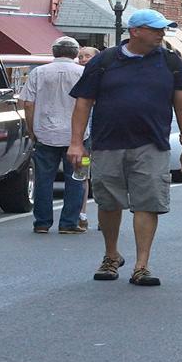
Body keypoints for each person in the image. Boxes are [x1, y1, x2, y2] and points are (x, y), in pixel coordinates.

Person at [68, 8, 182, 287]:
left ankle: (142, 265)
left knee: (148, 203)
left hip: (152, 144)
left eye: (163, 29)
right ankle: (111, 255)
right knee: (108, 202)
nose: (162, 34)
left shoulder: (171, 62)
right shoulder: (104, 61)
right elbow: (83, 102)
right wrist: (76, 143)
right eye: (156, 29)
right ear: (135, 31)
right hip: (107, 143)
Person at [17, 36, 87, 235]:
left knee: (43, 179)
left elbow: (28, 104)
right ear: (76, 53)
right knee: (78, 177)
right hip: (80, 136)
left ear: (54, 52)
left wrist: (31, 130)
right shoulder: (84, 73)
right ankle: (69, 222)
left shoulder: (39, 72)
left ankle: (42, 221)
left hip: (45, 133)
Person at [74, 45, 99, 231]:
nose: (83, 59)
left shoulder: (102, 78)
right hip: (83, 139)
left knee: (102, 176)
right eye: (80, 56)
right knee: (83, 173)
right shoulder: (76, 76)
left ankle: (105, 214)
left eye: (87, 56)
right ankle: (81, 214)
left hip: (100, 137)